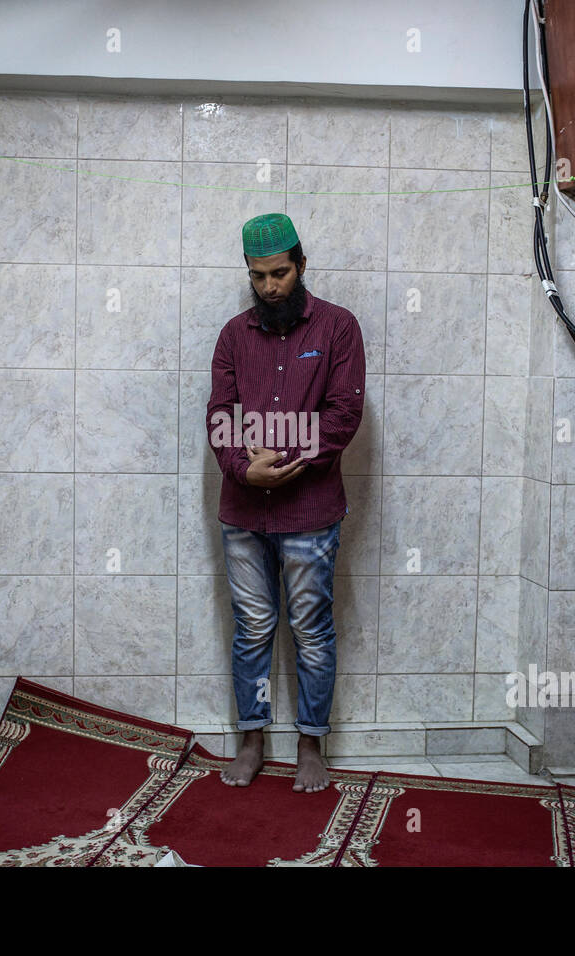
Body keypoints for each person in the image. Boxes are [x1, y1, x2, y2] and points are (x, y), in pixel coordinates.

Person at [205, 212, 366, 793]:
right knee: (251, 628)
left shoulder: (339, 329)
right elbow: (220, 415)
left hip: (311, 512)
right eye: (259, 277)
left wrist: (278, 459)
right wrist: (244, 471)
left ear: (301, 264)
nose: (270, 287)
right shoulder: (232, 336)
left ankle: (310, 744)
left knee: (311, 629)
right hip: (244, 514)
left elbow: (343, 414)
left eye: (279, 273)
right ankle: (251, 740)